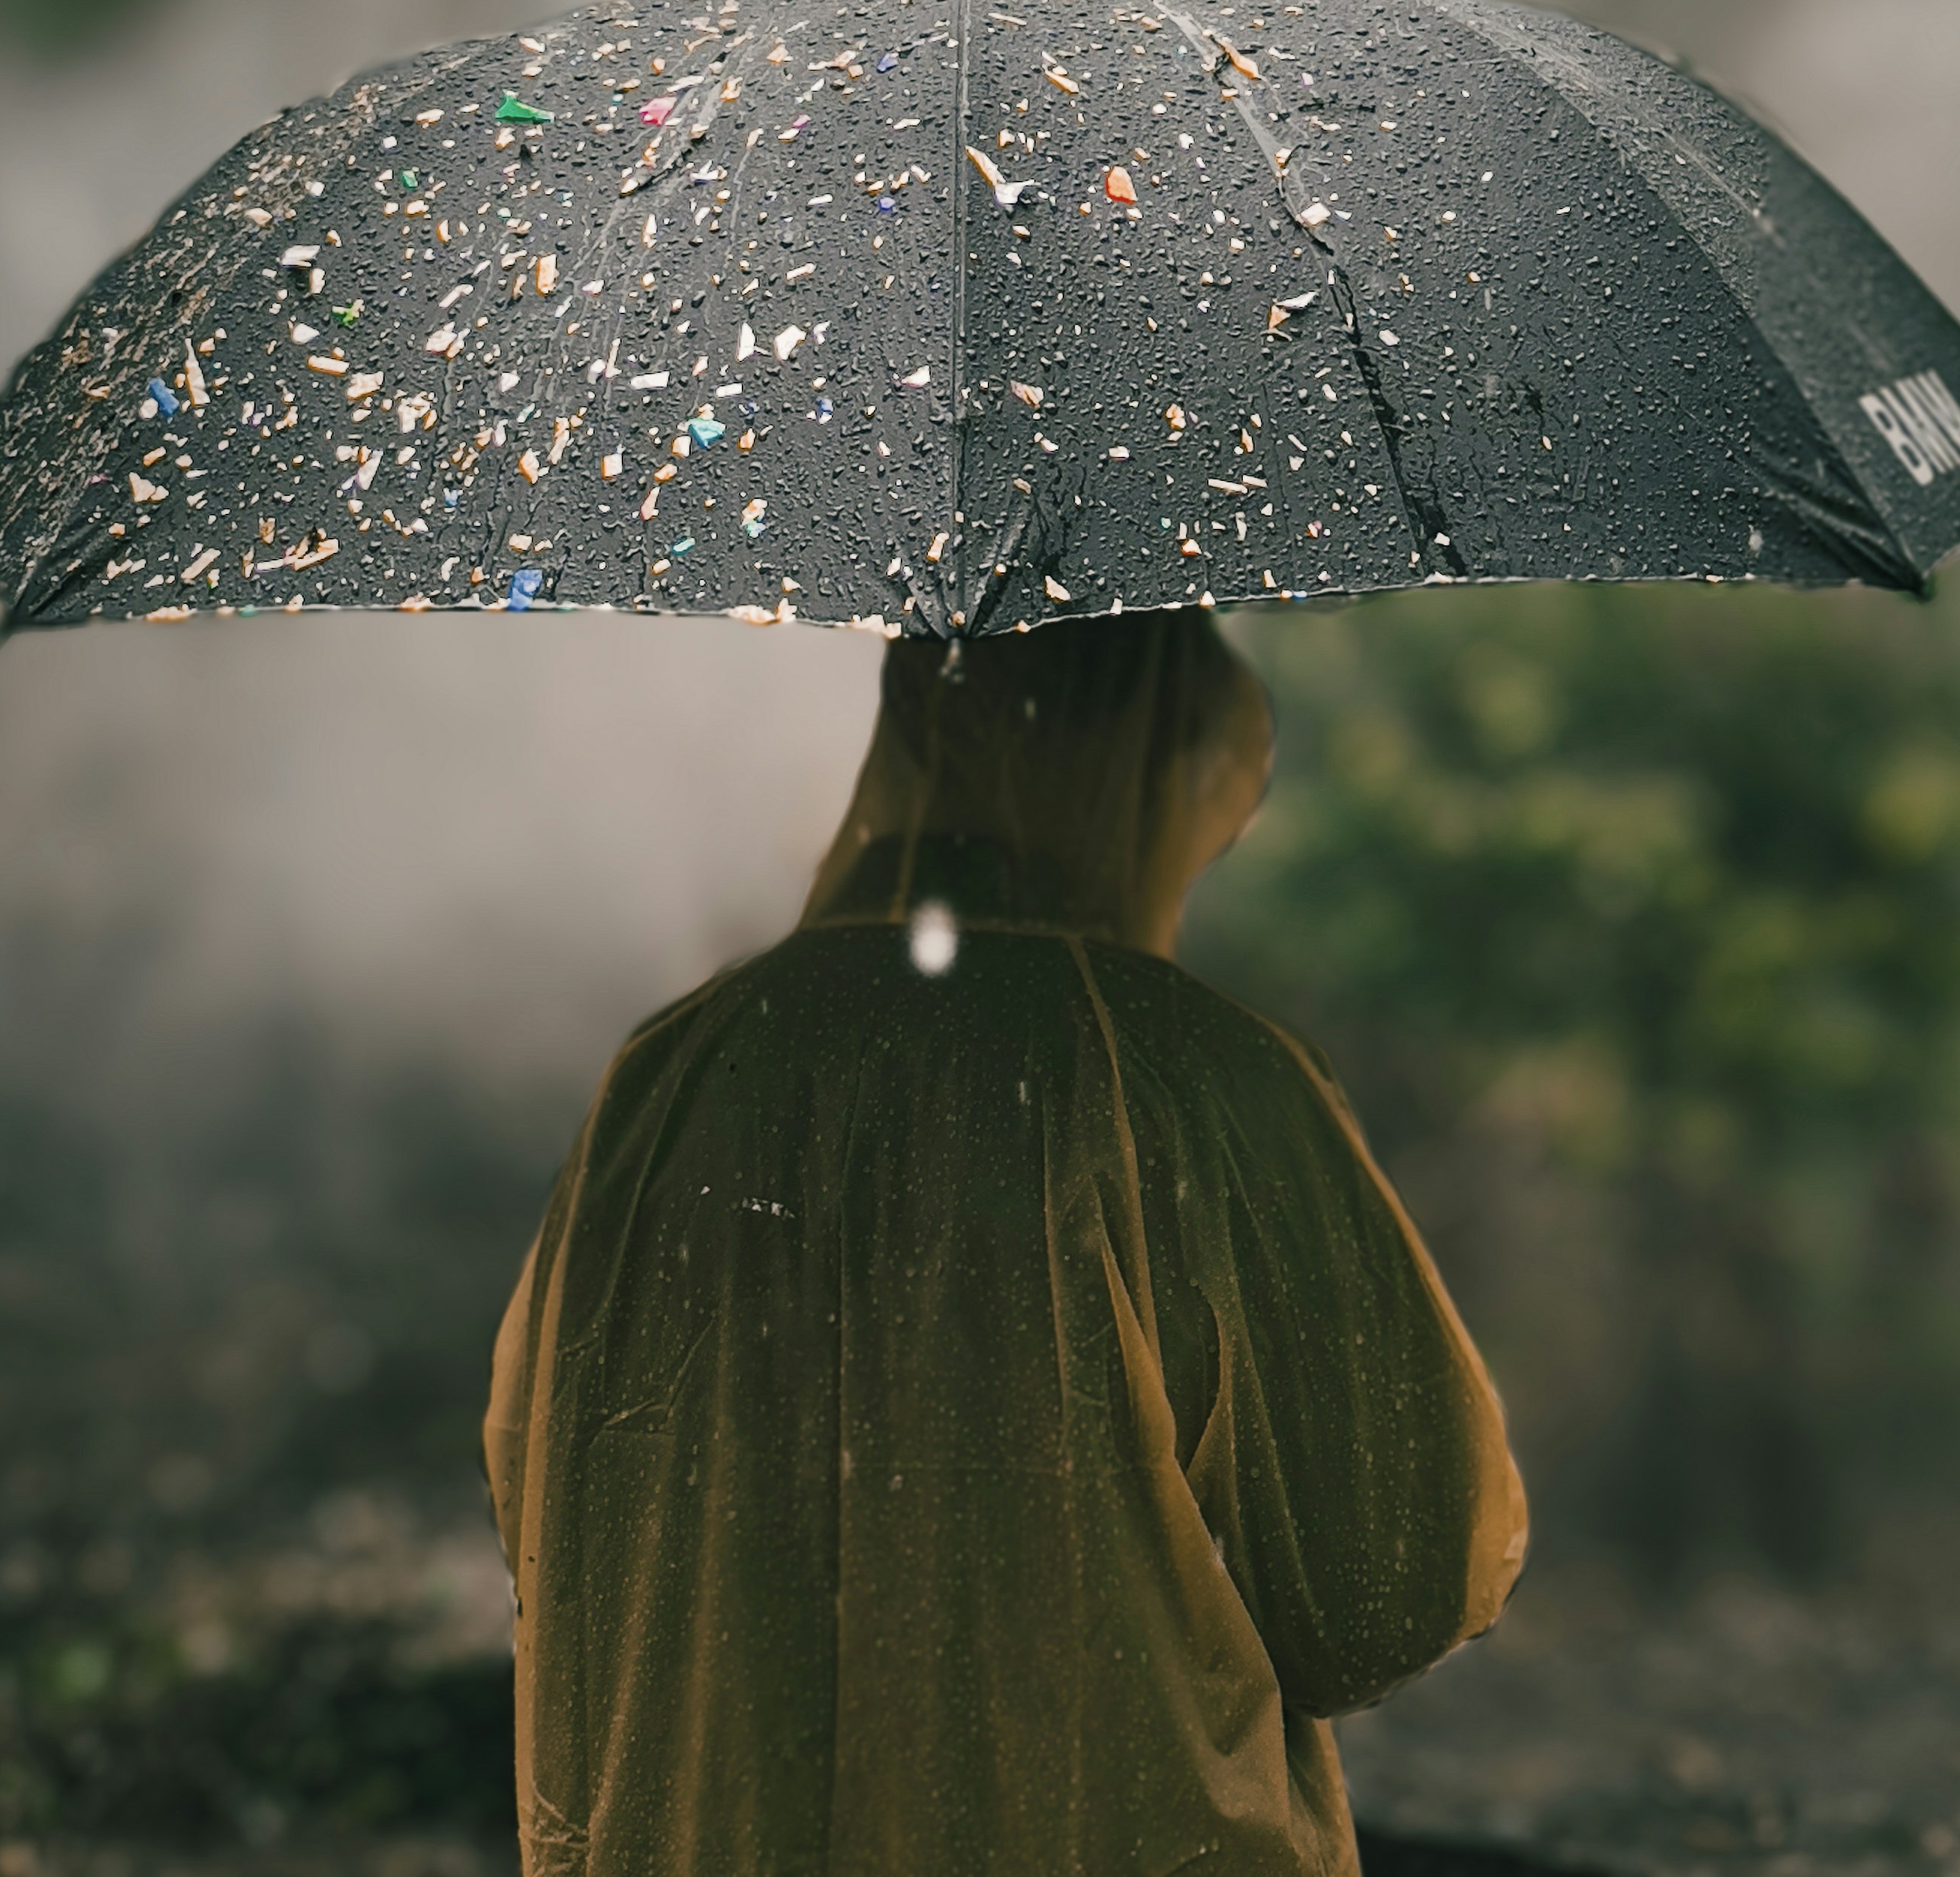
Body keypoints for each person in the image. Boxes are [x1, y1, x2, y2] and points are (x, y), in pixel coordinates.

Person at [485, 611, 1526, 1877]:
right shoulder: (1191, 1079)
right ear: (1147, 769)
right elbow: (1385, 1583)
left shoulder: (677, 1068)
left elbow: (551, 1497)